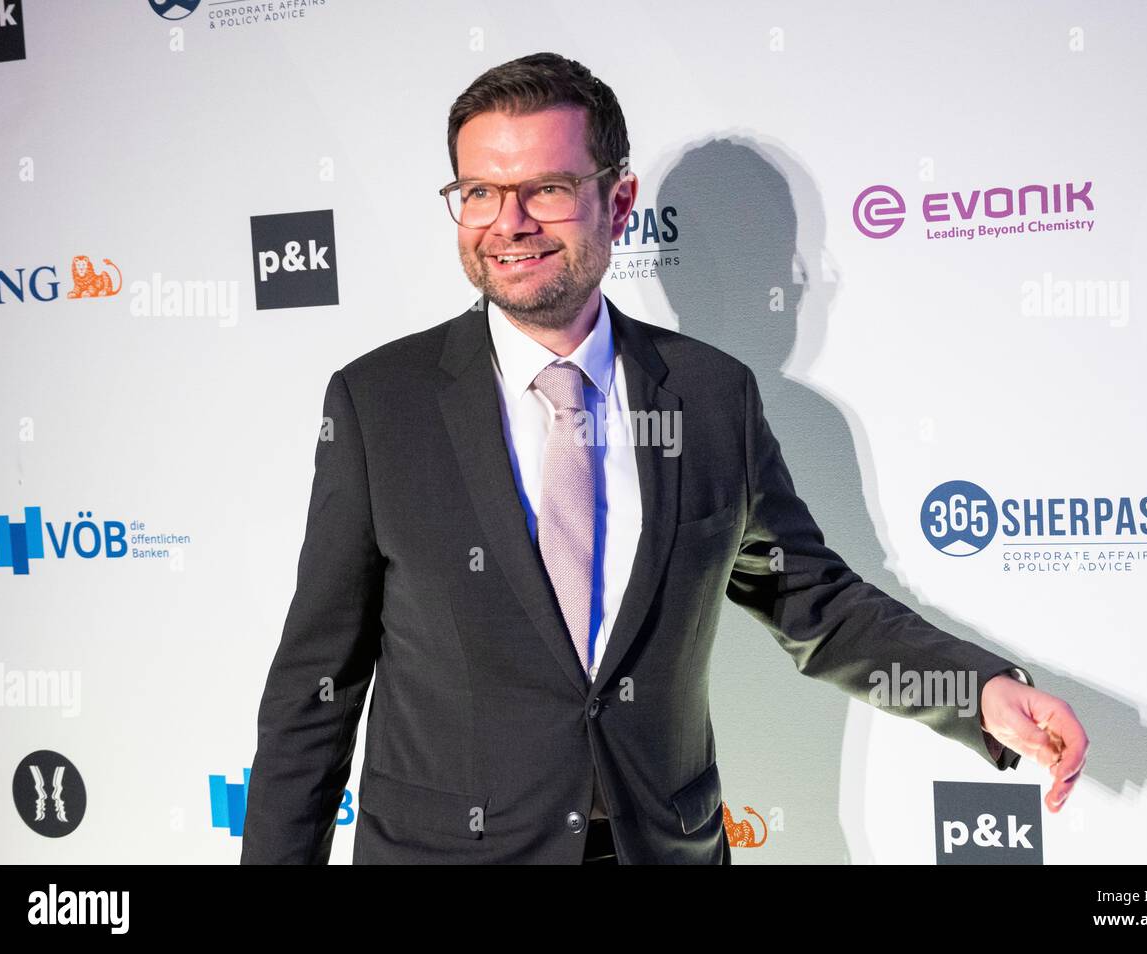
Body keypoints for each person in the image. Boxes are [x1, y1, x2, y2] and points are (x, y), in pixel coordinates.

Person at [241, 52, 1088, 865]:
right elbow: (317, 688)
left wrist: (974, 692)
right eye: (480, 192)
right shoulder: (380, 404)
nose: (510, 222)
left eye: (546, 188)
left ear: (618, 200)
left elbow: (813, 600)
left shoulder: (713, 397)